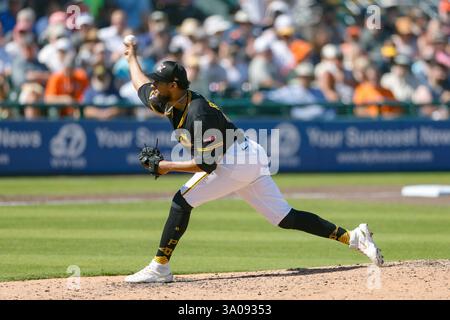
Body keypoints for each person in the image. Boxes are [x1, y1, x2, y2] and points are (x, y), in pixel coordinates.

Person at [123, 41, 384, 283]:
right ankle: (353, 237)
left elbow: (207, 165)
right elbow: (140, 85)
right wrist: (131, 56)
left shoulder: (198, 112)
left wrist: (165, 166)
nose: (155, 86)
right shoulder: (167, 100)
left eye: (160, 82)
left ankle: (160, 266)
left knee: (182, 201)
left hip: (235, 162)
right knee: (284, 217)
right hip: (247, 156)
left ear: (175, 85)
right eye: (156, 81)